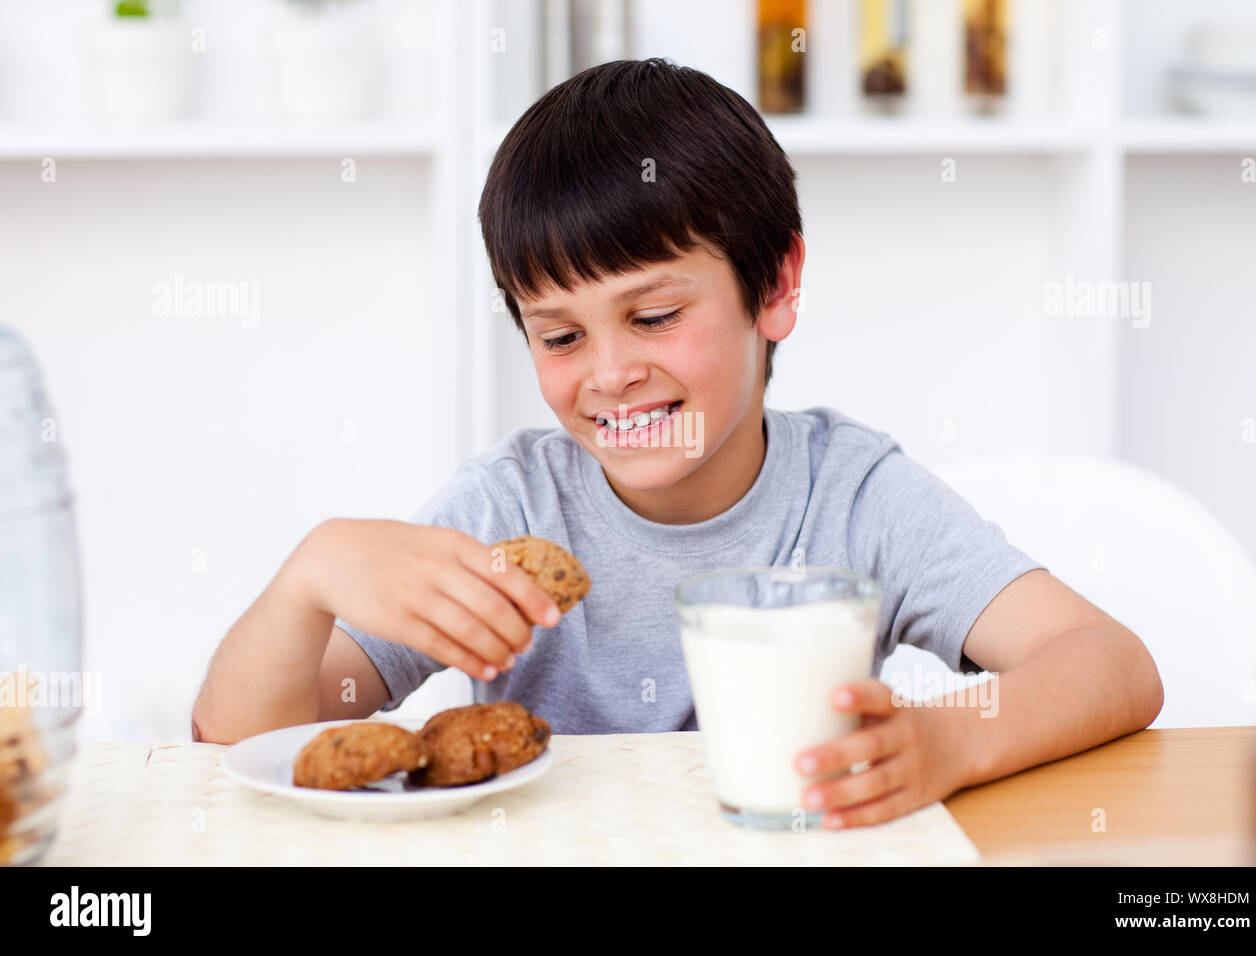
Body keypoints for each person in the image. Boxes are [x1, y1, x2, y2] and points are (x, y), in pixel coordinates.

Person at [192, 59, 1162, 830]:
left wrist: (949, 744)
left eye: (653, 314)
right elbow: (241, 739)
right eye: (560, 335)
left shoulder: (855, 495)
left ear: (775, 286)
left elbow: (1108, 662)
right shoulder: (509, 508)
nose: (608, 371)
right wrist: (307, 578)